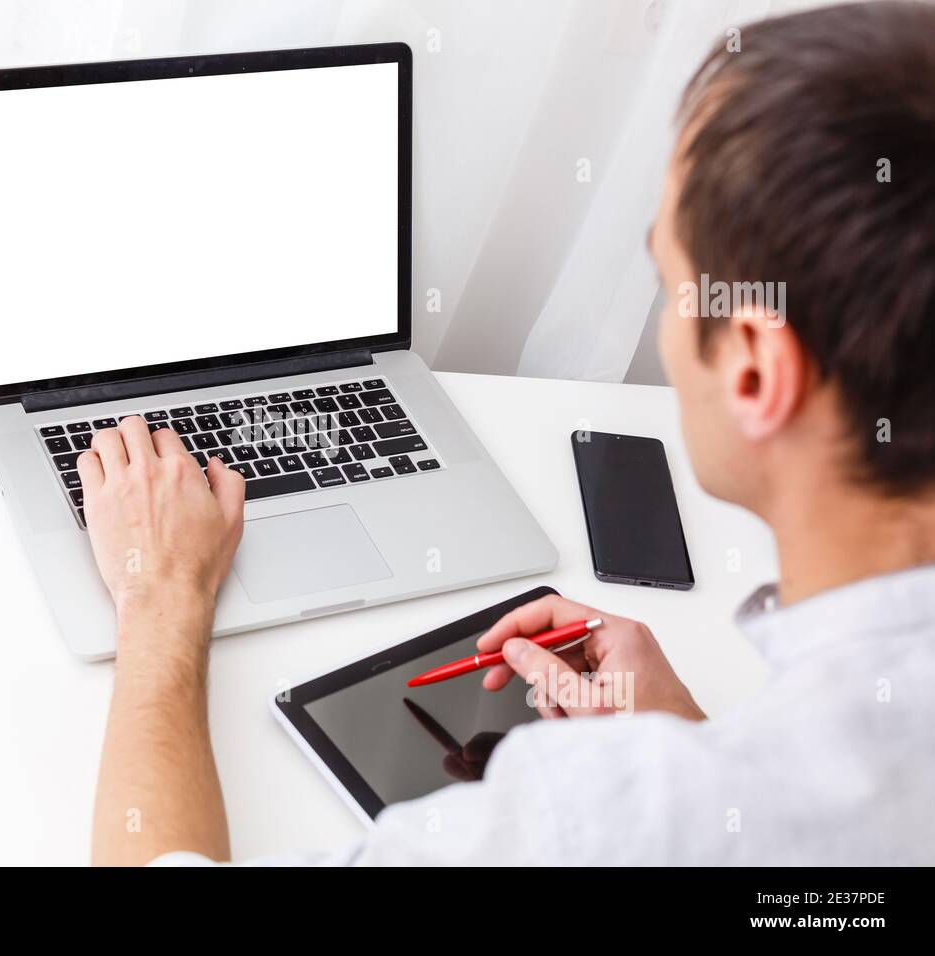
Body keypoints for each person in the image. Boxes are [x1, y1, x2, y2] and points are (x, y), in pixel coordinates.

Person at [81, 0, 935, 866]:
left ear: (754, 371)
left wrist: (161, 602)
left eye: (669, 278)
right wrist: (690, 738)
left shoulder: (587, 822)